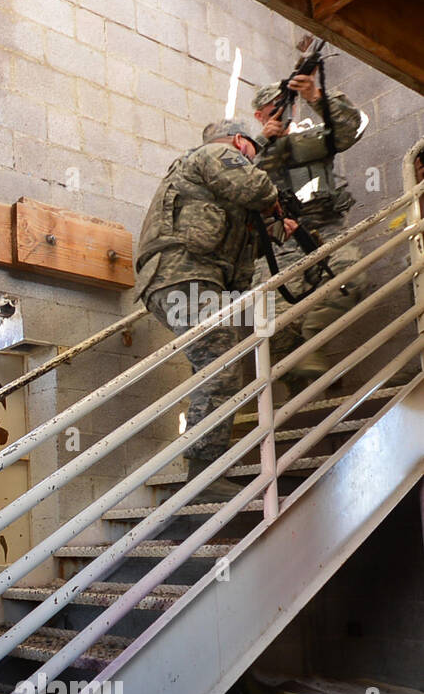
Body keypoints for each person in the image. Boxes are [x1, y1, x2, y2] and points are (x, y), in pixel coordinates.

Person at [135, 120, 295, 500]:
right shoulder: (217, 154)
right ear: (241, 141)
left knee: (214, 364)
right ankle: (205, 475)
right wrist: (273, 199)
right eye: (252, 152)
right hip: (184, 278)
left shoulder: (211, 186)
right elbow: (254, 186)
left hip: (184, 281)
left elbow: (237, 248)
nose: (253, 161)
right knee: (222, 363)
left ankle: (204, 471)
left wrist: (272, 229)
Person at [251, 73, 367, 392]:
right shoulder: (252, 151)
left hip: (325, 229)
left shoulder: (312, 138)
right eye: (271, 108)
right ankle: (299, 383)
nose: (280, 111)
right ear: (259, 115)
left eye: (284, 105)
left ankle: (312, 341)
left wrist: (316, 96)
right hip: (279, 242)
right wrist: (263, 142)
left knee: (352, 279)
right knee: (277, 324)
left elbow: (349, 129)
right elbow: (232, 181)